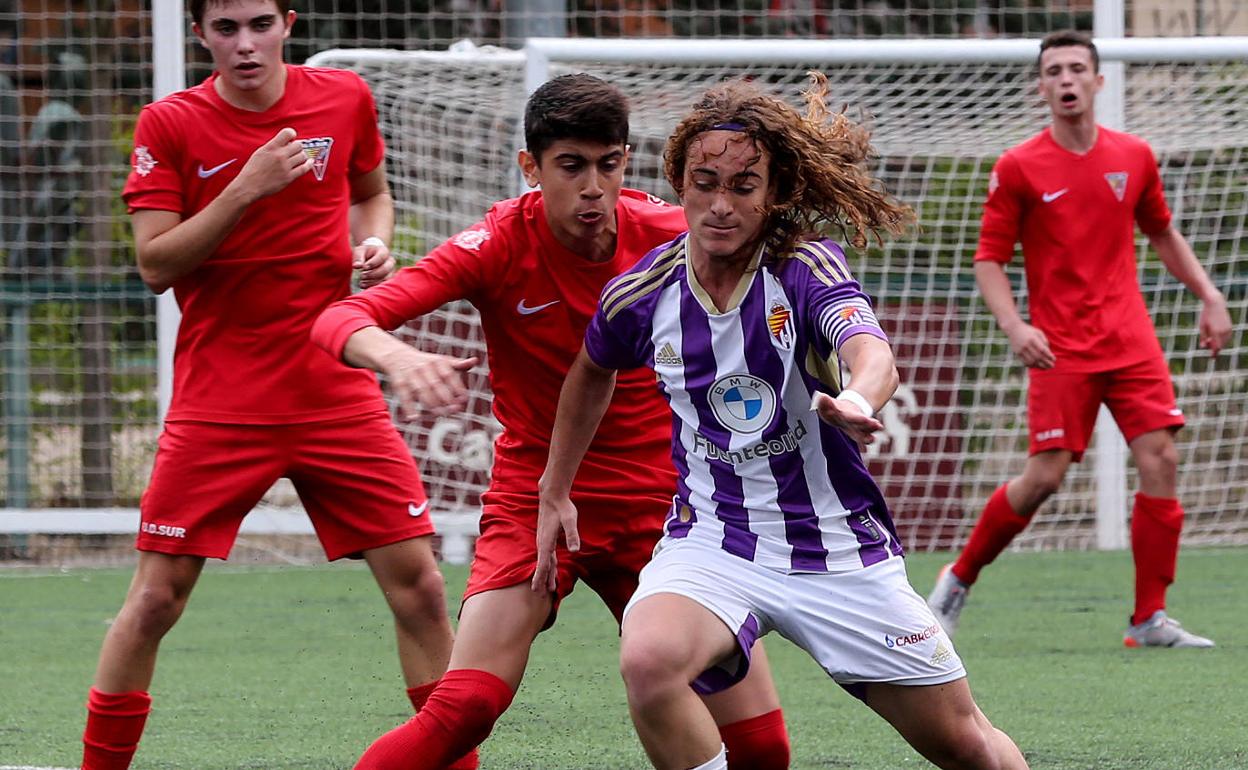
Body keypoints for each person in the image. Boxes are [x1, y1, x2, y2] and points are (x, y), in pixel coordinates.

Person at [536, 73, 1029, 770]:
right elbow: (591, 371)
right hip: (715, 543)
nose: (720, 203)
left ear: (774, 195)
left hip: (837, 553)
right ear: (679, 179)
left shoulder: (802, 266)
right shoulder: (641, 294)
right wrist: (556, 487)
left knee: (969, 746)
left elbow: (870, 349)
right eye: (705, 181)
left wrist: (858, 398)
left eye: (743, 185)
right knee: (648, 661)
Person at [311, 73, 790, 770]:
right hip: (535, 500)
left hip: (669, 509)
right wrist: (396, 357)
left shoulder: (673, 236)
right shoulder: (497, 243)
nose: (593, 186)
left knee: (763, 746)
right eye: (571, 166)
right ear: (531, 168)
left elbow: (792, 268)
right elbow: (341, 317)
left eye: (609, 164)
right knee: (465, 708)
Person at [80, 2, 473, 768]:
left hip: (336, 385)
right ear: (200, 35)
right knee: (157, 599)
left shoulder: (343, 96)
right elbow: (156, 264)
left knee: (422, 588)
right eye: (225, 28)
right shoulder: (168, 123)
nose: (245, 43)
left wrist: (374, 243)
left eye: (259, 22)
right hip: (222, 398)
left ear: (288, 23)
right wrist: (242, 189)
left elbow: (370, 193)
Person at [926, 30, 1231, 649]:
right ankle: (957, 580)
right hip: (1059, 345)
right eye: (1053, 71)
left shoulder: (1134, 156)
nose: (1065, 80)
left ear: (1098, 81)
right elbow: (989, 260)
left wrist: (1210, 294)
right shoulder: (1019, 166)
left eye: (1076, 69)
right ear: (1041, 86)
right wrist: (1016, 326)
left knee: (1162, 459)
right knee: (1044, 477)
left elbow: (1162, 232)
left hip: (1130, 339)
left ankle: (1149, 618)